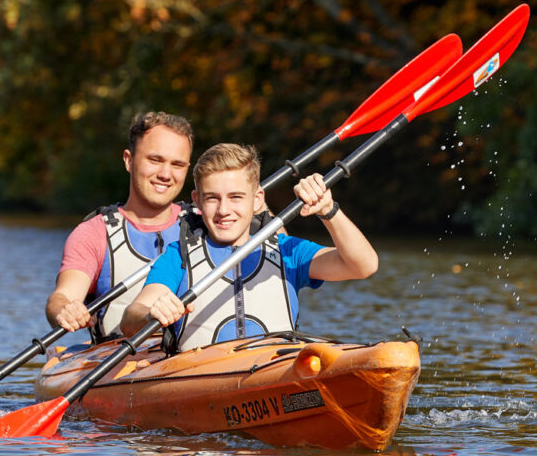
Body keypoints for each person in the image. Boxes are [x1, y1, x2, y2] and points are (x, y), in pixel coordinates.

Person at [120, 143, 378, 352]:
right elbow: (131, 319)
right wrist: (151, 314)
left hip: (275, 375)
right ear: (197, 201)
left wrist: (329, 211)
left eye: (235, 197)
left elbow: (363, 266)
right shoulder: (180, 256)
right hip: (202, 380)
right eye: (212, 198)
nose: (223, 210)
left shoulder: (286, 251)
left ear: (257, 201)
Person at [46, 111, 193, 342]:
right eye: (155, 160)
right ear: (129, 160)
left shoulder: (208, 223)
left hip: (199, 359)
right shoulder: (93, 233)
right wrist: (66, 309)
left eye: (177, 164)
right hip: (119, 360)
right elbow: (62, 296)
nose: (166, 174)